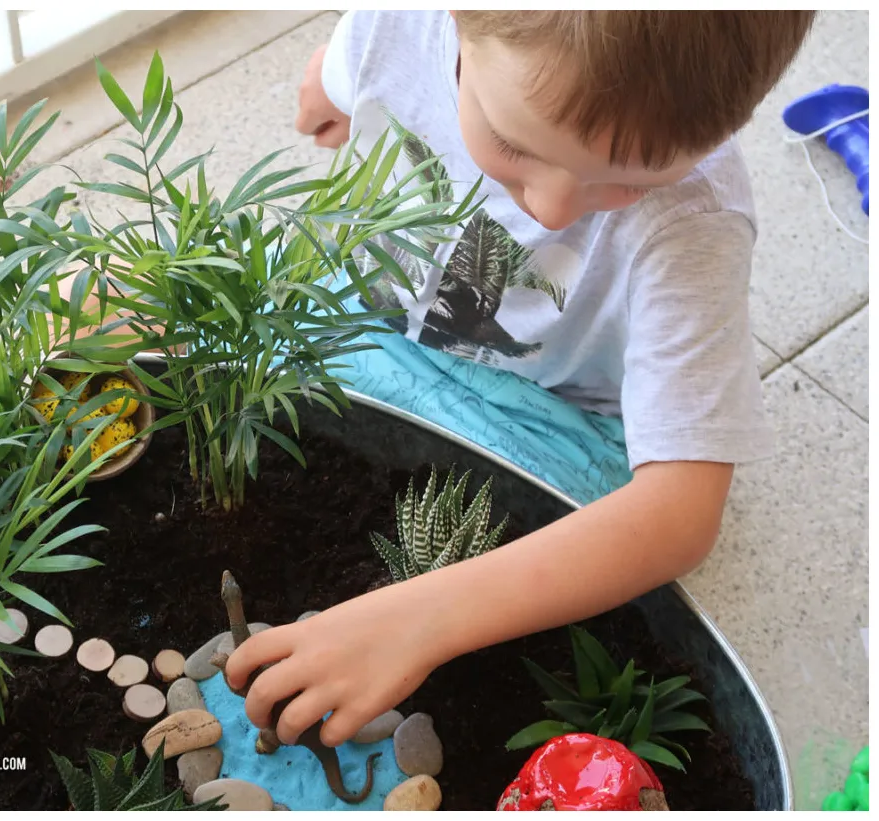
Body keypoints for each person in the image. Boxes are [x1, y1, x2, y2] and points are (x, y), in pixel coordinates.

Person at [223, 10, 817, 748]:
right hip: (375, 326)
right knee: (240, 373)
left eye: (628, 181)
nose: (553, 206)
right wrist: (327, 96)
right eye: (512, 144)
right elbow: (338, 74)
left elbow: (681, 511)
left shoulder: (695, 220)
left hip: (546, 418)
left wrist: (419, 619)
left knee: (547, 560)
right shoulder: (394, 28)